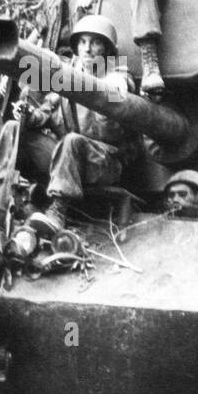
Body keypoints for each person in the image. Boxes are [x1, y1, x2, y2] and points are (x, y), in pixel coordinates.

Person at [26, 16, 140, 234]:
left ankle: (58, 211)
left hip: (104, 162)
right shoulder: (66, 76)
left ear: (106, 49)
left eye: (95, 42)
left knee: (72, 141)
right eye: (82, 42)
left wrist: (83, 81)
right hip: (69, 159)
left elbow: (117, 89)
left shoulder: (117, 73)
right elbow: (46, 111)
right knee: (19, 131)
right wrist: (30, 115)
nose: (87, 49)